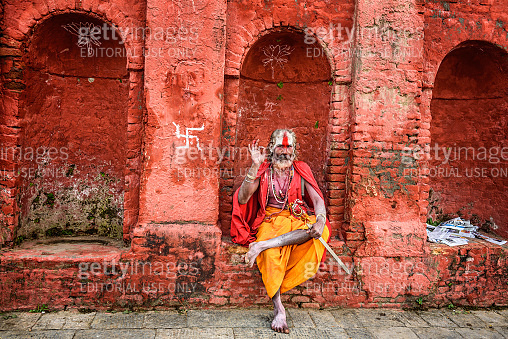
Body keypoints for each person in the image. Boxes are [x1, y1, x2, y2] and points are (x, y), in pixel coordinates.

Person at [231, 129, 331, 334]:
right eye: (280, 146)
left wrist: (320, 220)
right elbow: (242, 199)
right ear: (271, 148)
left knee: (318, 234)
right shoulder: (264, 169)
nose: (284, 151)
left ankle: (262, 245)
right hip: (270, 220)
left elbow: (319, 200)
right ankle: (279, 309)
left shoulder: (301, 168)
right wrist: (254, 165)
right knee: (269, 256)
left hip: (297, 219)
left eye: (288, 147)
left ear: (294, 149)